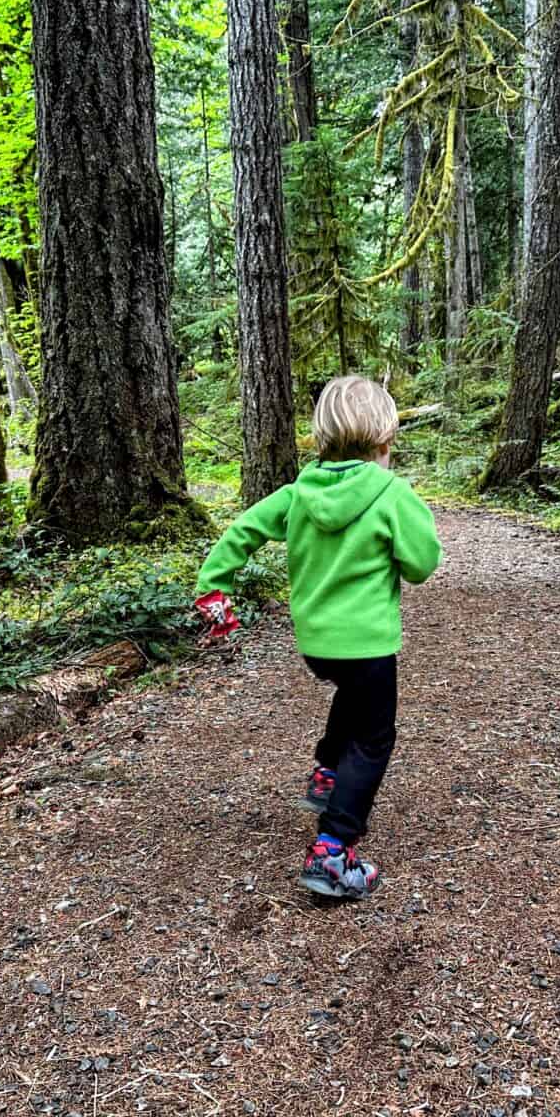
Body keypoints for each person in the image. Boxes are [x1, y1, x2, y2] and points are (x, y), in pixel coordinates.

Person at [194, 376, 442, 899]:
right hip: (369, 645)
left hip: (316, 646)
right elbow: (421, 565)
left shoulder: (297, 493)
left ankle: (328, 772)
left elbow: (241, 532)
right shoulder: (393, 494)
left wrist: (214, 590)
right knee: (373, 741)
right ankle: (333, 851)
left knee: (351, 697)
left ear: (321, 437)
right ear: (385, 440)